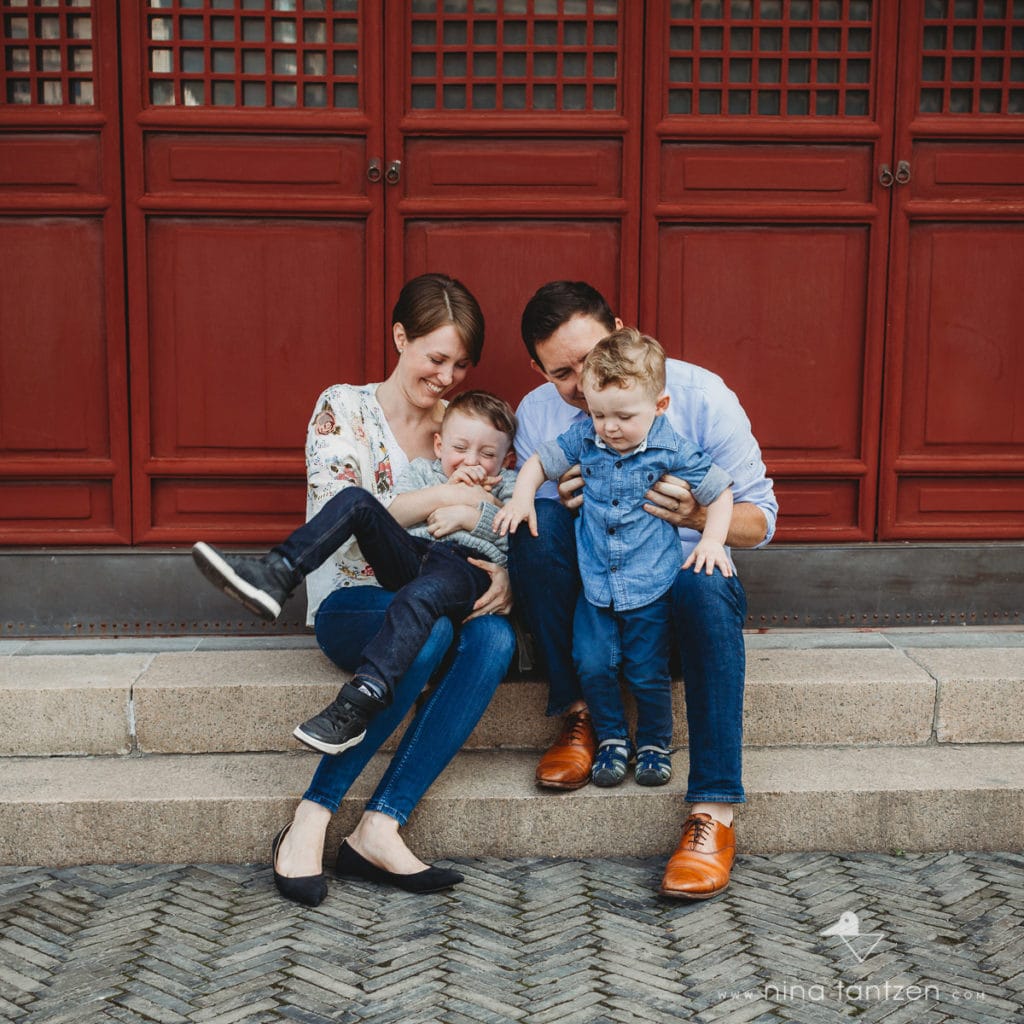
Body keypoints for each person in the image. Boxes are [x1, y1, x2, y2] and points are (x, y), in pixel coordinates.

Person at [202, 274, 515, 906]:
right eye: (436, 357)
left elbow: (504, 509)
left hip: (441, 589)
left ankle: (380, 827)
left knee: (497, 638)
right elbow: (337, 513)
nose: (447, 376)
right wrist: (450, 494)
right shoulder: (344, 407)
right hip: (355, 601)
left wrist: (506, 570)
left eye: (460, 363)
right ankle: (312, 817)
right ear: (400, 336)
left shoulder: (465, 426)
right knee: (418, 622)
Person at [509, 281, 777, 900]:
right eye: (562, 373)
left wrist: (693, 518)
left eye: (590, 357)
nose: (581, 382)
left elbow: (762, 517)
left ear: (622, 330)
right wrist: (558, 504)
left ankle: (713, 810)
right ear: (537, 370)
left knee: (705, 587)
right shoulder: (540, 416)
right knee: (542, 523)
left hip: (676, 606)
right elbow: (528, 524)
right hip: (595, 609)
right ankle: (580, 717)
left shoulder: (699, 396)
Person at [192, 390, 518, 757]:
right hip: (413, 555)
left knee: (417, 596)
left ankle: (360, 701)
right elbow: (394, 514)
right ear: (439, 444)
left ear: (506, 458)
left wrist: (474, 513)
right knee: (357, 501)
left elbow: (518, 540)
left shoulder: (509, 485)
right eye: (460, 448)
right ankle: (278, 572)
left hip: (466, 568)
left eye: (487, 454)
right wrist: (450, 494)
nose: (471, 462)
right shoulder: (424, 472)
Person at [494, 329, 734, 791]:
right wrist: (523, 499)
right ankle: (611, 740)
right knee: (591, 663)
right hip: (597, 584)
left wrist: (711, 541)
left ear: (659, 407)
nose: (609, 426)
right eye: (600, 413)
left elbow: (720, 490)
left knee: (646, 669)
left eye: (624, 416)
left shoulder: (672, 448)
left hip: (649, 587)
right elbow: (539, 463)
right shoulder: (586, 435)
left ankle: (654, 744)